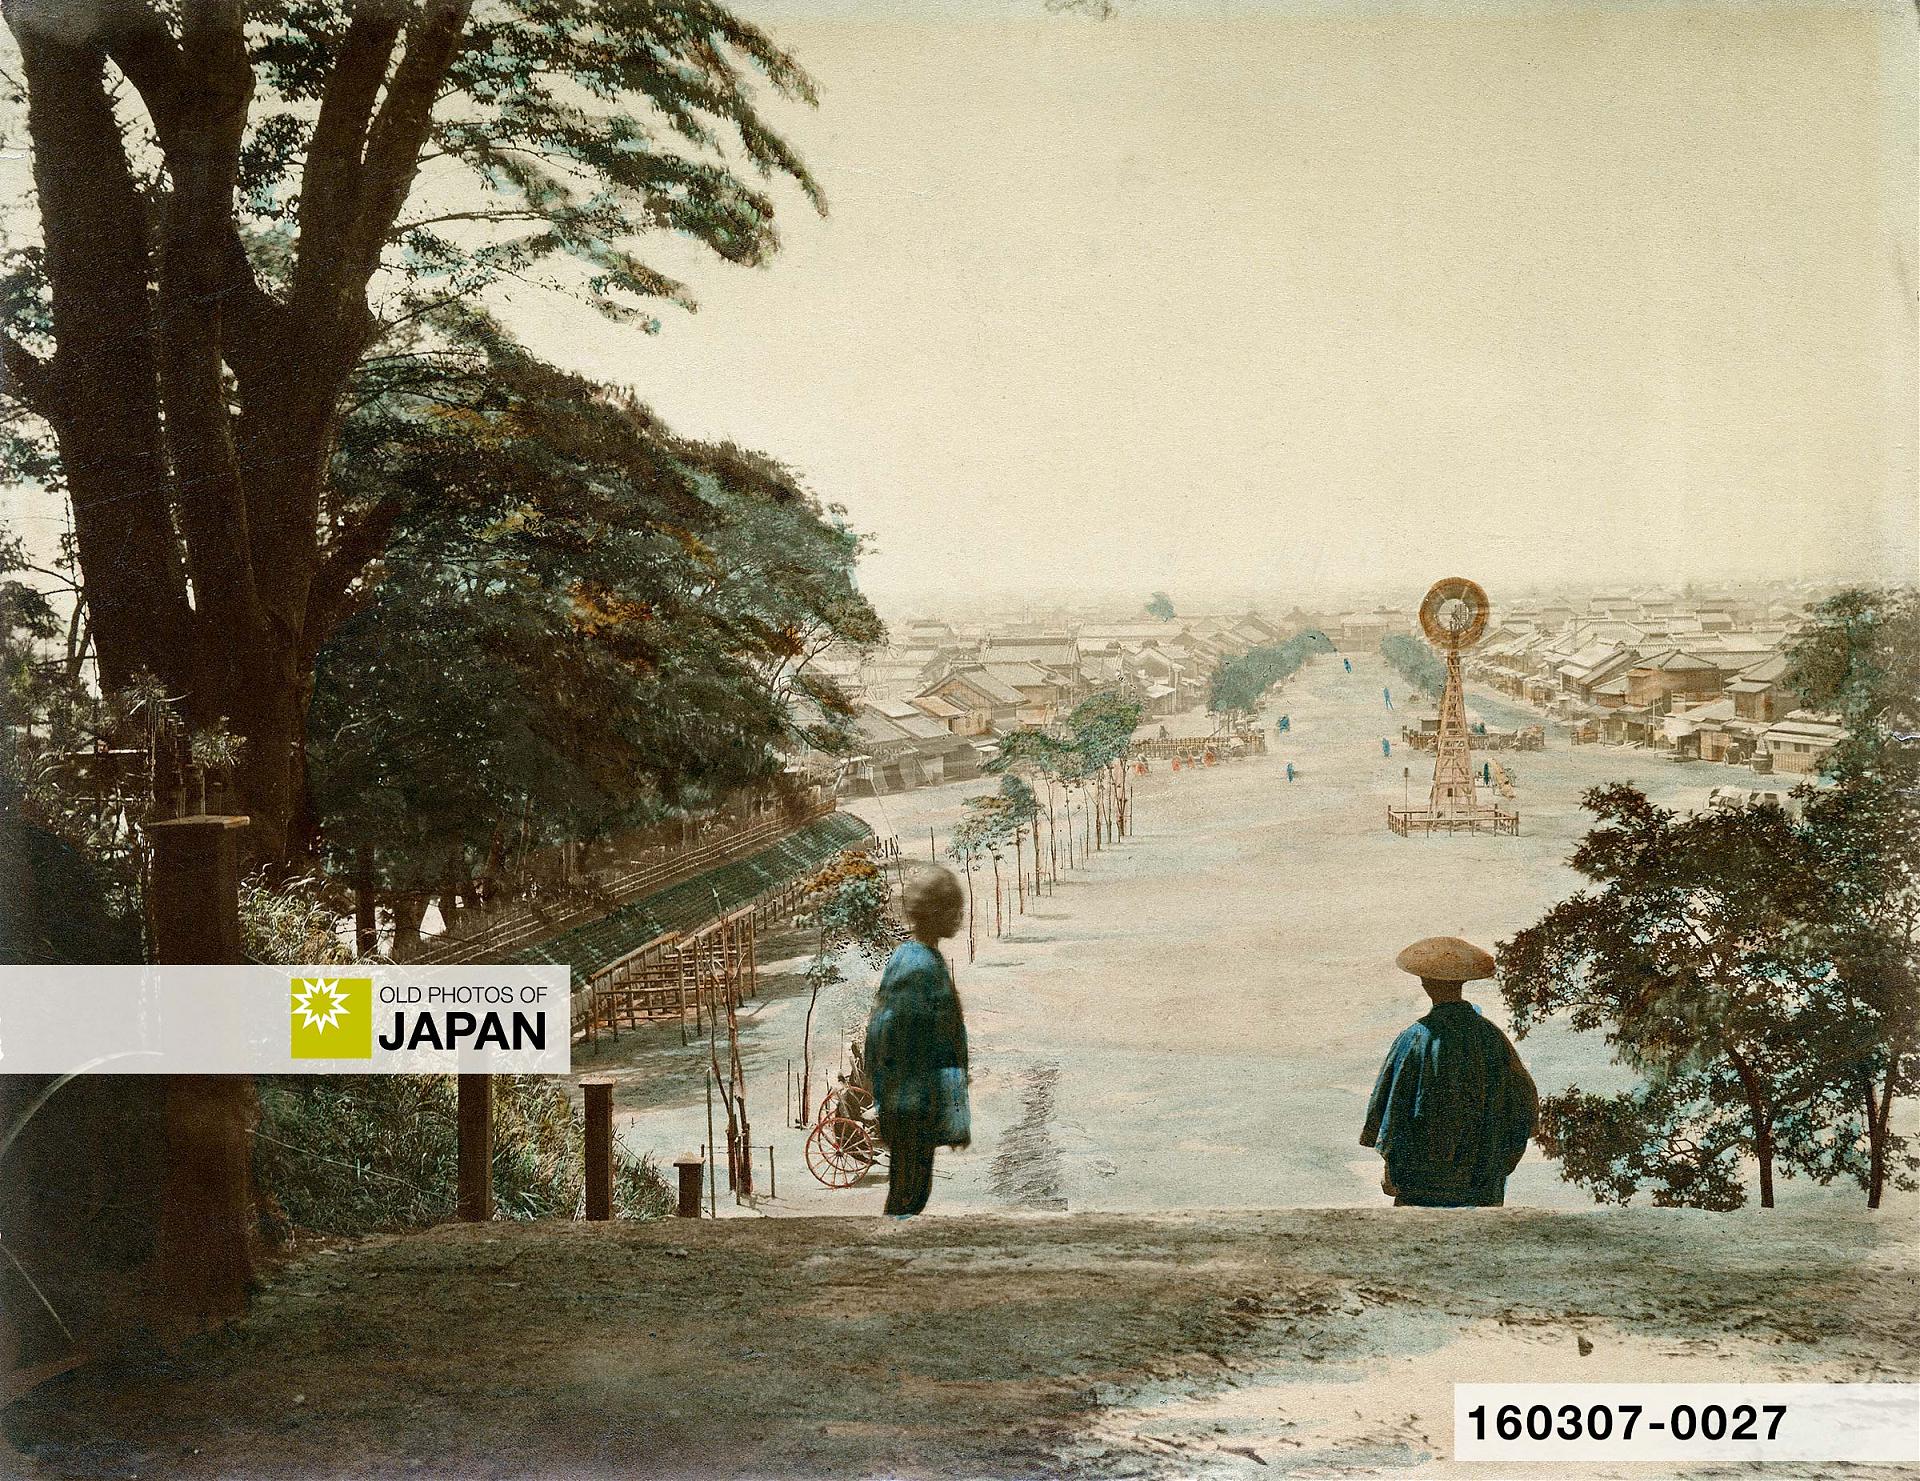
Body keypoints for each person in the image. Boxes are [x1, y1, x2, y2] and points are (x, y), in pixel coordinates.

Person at [1361, 936, 1538, 1207]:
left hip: (1421, 1183)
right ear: (1461, 983)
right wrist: (1501, 1160)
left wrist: (1390, 1168)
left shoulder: (1413, 1038)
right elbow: (1523, 1102)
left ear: (1425, 984)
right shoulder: (1491, 1037)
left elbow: (1393, 1110)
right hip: (1480, 1180)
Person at [865, 866, 970, 1217]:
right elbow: (909, 1042)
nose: (959, 917)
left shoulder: (911, 956)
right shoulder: (920, 967)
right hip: (912, 1103)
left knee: (909, 1191)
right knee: (909, 1195)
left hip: (909, 1101)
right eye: (954, 909)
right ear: (936, 913)